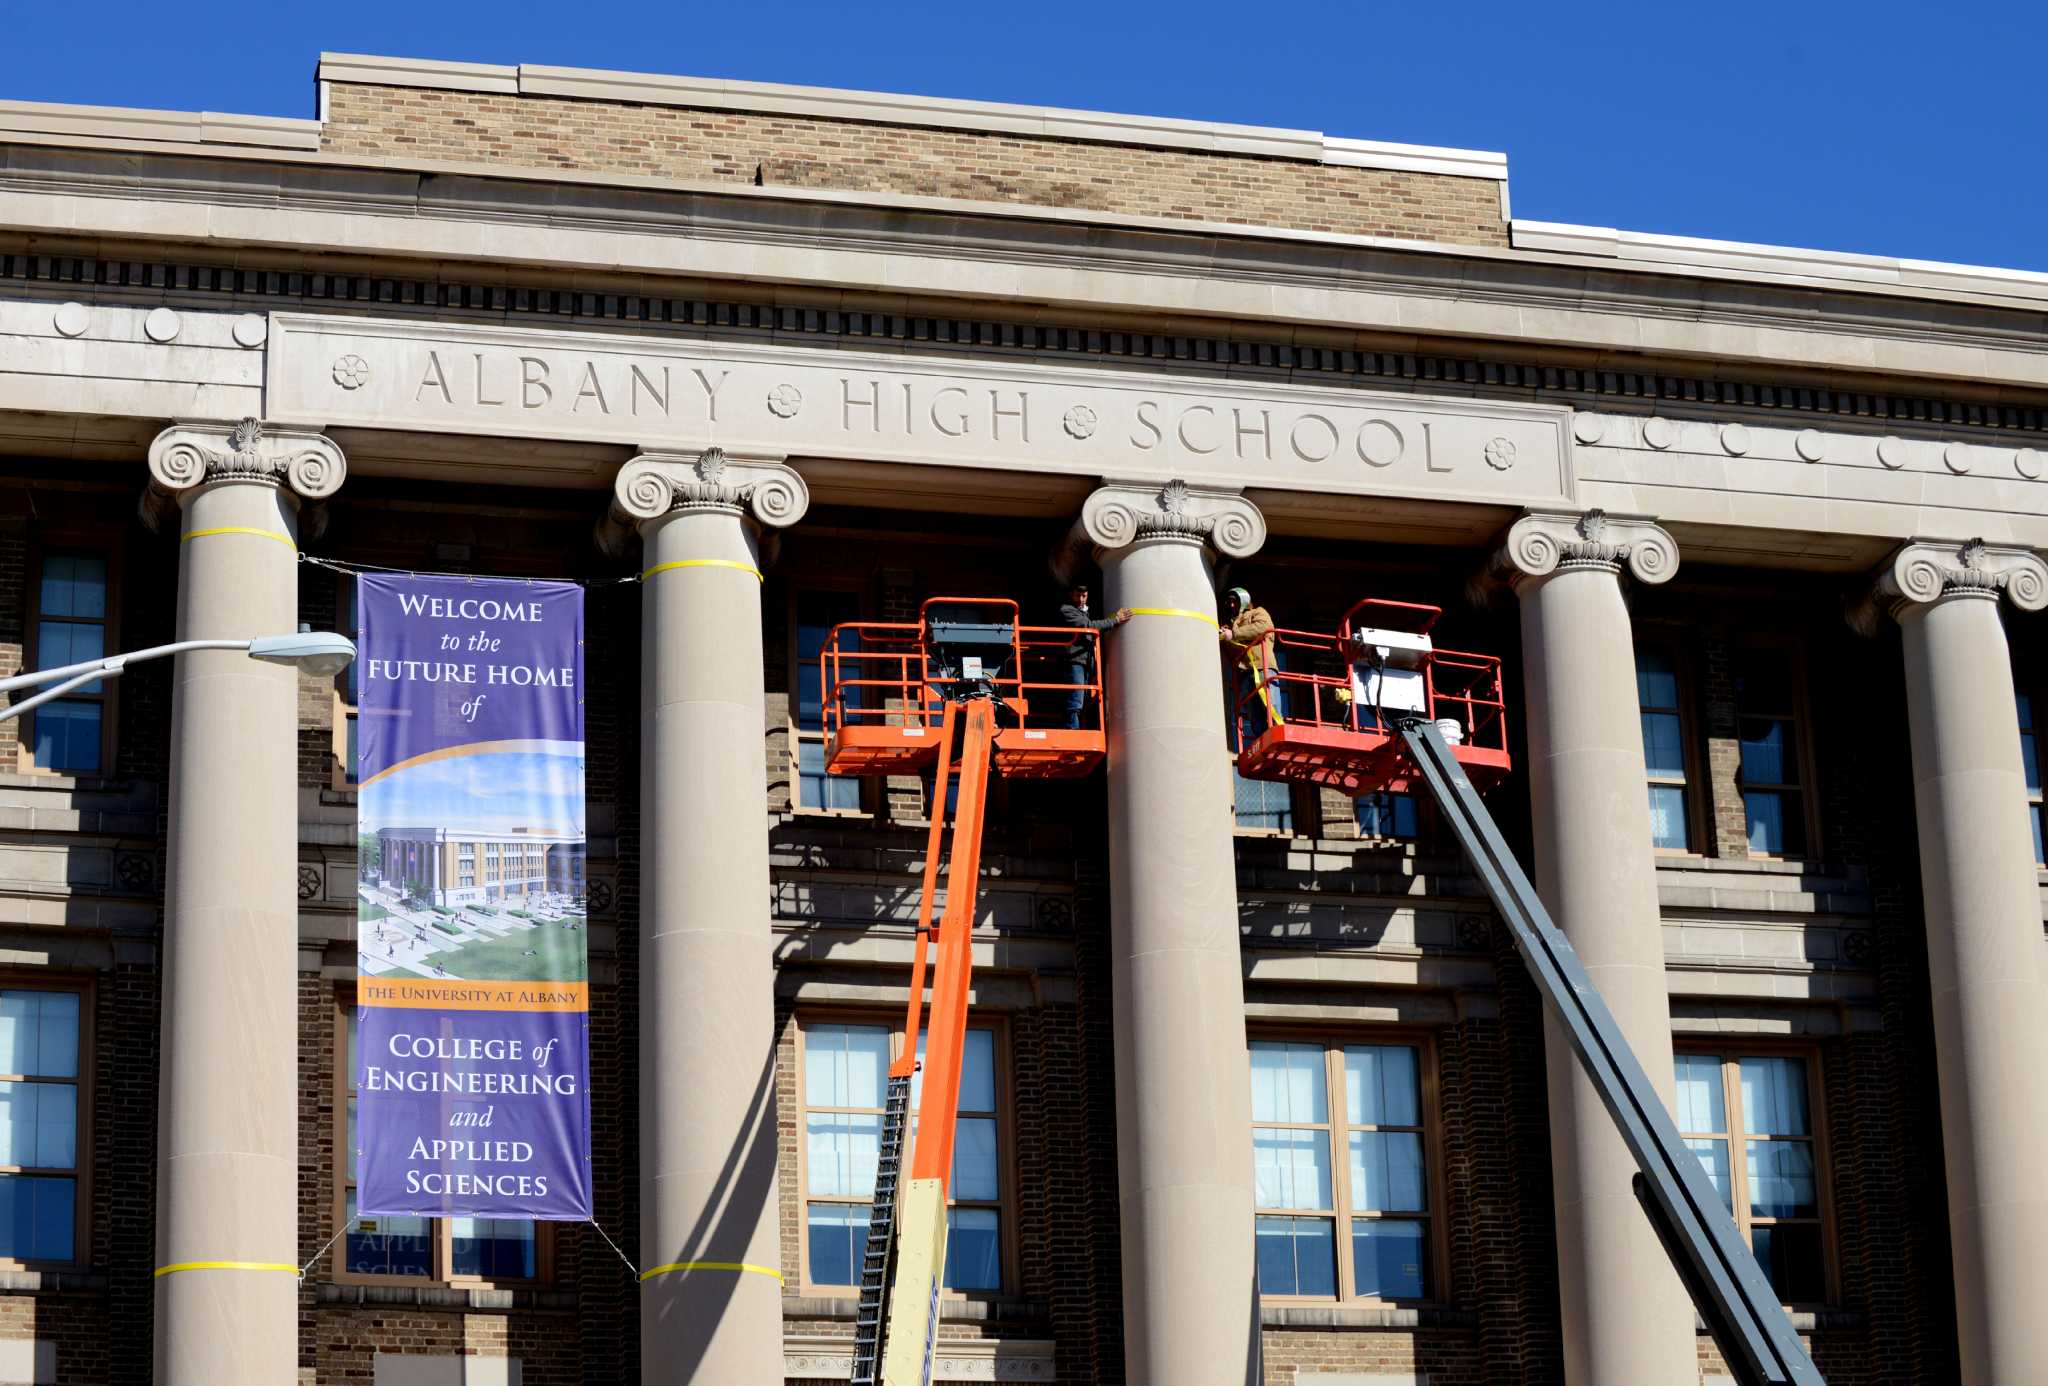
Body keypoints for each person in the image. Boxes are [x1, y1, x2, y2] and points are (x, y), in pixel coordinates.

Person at [1059, 582, 1130, 729]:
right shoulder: (1067, 610)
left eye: (1084, 596)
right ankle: (1072, 731)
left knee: (1082, 700)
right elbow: (1088, 626)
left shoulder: (1085, 612)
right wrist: (1115, 620)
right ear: (1071, 595)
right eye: (1078, 595)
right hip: (1075, 661)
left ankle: (1076, 729)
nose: (1081, 599)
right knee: (1075, 700)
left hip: (1085, 662)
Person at [1219, 587, 1282, 729]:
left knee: (1270, 708)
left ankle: (1277, 736)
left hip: (1262, 667)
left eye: (1234, 601)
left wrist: (1233, 634)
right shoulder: (1232, 624)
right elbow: (1235, 654)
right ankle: (1263, 746)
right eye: (1229, 602)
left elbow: (1264, 627)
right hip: (1246, 673)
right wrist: (1225, 638)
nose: (1231, 605)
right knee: (1255, 717)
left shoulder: (1258, 612)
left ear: (1244, 600)